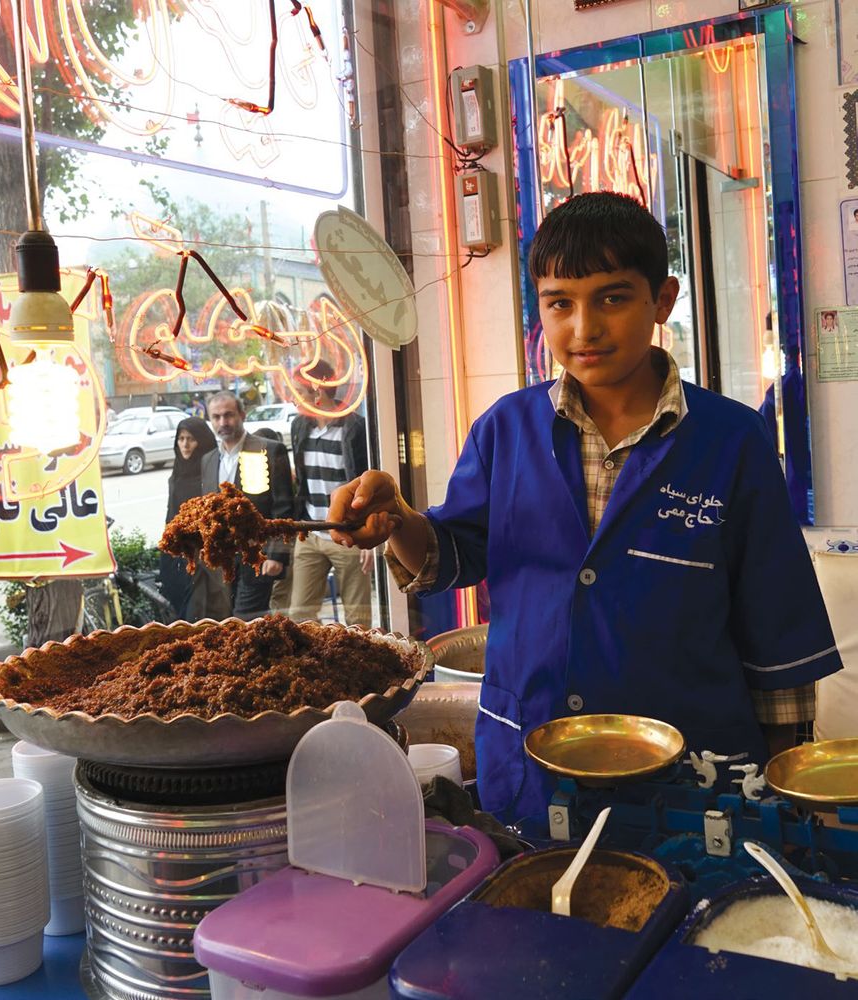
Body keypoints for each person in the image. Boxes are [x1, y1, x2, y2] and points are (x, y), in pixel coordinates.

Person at [327, 191, 842, 822]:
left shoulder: (732, 441)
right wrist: (397, 521)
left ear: (663, 299)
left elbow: (778, 629)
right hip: (532, 768)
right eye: (559, 303)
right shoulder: (505, 430)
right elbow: (453, 553)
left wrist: (778, 793)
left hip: (692, 779)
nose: (584, 328)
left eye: (613, 297)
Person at [288, 360, 373, 628]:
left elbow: (369, 482)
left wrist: (370, 536)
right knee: (299, 618)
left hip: (348, 533)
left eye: (298, 393)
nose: (293, 400)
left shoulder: (355, 428)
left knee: (357, 622)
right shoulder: (300, 427)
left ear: (318, 391)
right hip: (311, 532)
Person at [200, 390, 293, 619]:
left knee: (244, 621)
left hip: (258, 557)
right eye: (216, 417)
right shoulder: (209, 459)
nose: (223, 422)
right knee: (230, 622)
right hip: (223, 563)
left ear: (242, 414)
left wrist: (277, 555)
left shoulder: (268, 450)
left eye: (229, 415)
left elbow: (284, 508)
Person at [159, 416, 229, 621]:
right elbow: (171, 512)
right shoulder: (178, 470)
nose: (185, 445)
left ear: (202, 440)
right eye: (180, 439)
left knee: (210, 607)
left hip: (206, 549)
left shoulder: (212, 470)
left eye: (191, 439)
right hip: (181, 550)